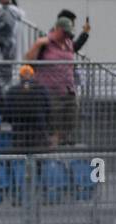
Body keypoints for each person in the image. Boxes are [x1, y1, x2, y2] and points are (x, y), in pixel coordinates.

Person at [25, 15, 78, 146]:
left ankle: (59, 144)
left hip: (68, 90)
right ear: (57, 29)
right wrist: (37, 44)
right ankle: (52, 152)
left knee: (71, 119)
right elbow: (27, 60)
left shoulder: (69, 43)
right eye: (65, 32)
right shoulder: (45, 42)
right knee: (54, 122)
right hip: (50, 91)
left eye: (69, 33)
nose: (67, 36)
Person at [0, 64, 50, 151]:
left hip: (19, 129)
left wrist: (10, 121)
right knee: (38, 155)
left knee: (19, 156)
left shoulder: (12, 91)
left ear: (20, 77)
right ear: (33, 76)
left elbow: (7, 112)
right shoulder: (41, 89)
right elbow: (48, 108)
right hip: (38, 129)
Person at [0, 0, 22, 103]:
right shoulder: (14, 13)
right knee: (5, 82)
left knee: (1, 85)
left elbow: (2, 30)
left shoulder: (7, 13)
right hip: (8, 54)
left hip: (3, 54)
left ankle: (3, 111)